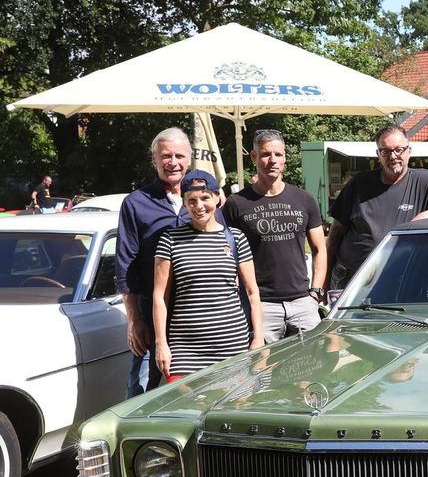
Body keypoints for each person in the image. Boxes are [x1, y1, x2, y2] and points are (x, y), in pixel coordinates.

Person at [116, 128, 223, 397]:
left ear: (189, 159)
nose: (172, 162)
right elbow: (125, 264)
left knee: (204, 387)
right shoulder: (135, 203)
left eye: (178, 155)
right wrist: (134, 320)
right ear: (154, 160)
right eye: (165, 156)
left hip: (197, 312)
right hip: (151, 313)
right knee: (141, 389)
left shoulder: (207, 203)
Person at [325, 125, 428, 290]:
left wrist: (422, 218)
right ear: (378, 155)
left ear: (409, 151)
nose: (393, 156)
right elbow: (335, 235)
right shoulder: (359, 183)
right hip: (352, 278)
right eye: (385, 151)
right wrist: (323, 281)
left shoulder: (424, 181)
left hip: (401, 280)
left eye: (399, 150)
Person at [153, 174, 264, 381]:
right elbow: (160, 296)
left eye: (205, 198)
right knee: (184, 411)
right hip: (185, 352)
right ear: (184, 203)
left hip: (233, 348)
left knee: (232, 411)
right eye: (191, 200)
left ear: (216, 198)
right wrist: (161, 344)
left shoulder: (236, 238)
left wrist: (258, 338)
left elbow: (252, 291)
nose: (199, 206)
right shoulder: (170, 239)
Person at [222, 129, 327, 343]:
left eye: (278, 154)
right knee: (263, 369)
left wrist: (315, 292)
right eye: (265, 154)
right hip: (261, 305)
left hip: (303, 303)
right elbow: (227, 254)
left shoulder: (304, 199)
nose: (272, 160)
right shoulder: (236, 203)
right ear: (254, 156)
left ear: (285, 157)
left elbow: (319, 249)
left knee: (310, 368)